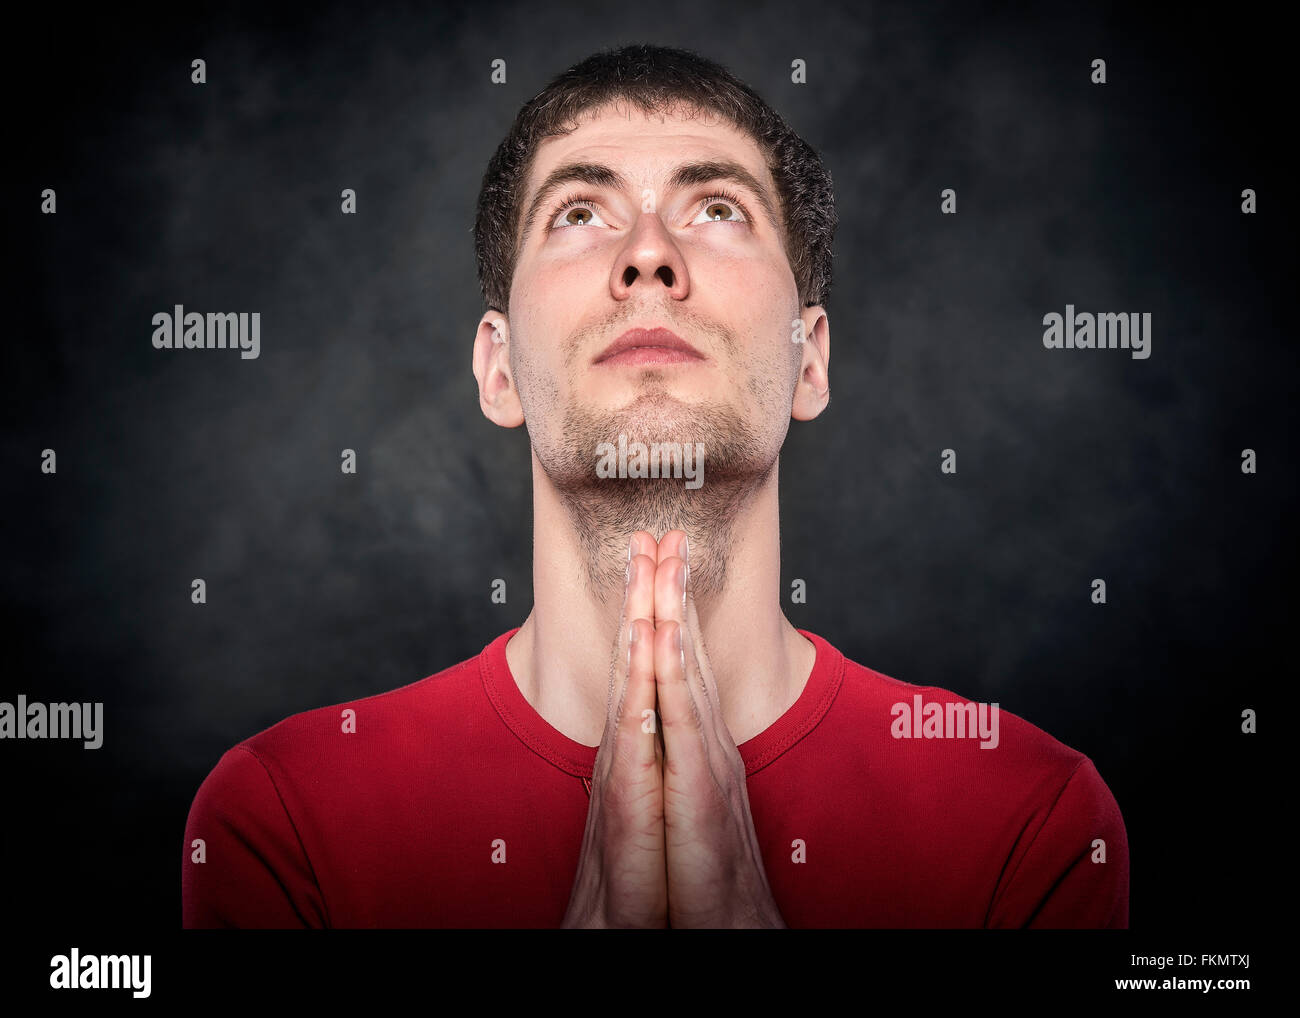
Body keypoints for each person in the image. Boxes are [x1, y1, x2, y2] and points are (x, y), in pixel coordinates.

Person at [183, 43, 1128, 929]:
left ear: (810, 362)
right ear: (498, 369)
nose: (647, 254)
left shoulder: (1029, 820)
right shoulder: (283, 821)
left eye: (717, 208)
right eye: (579, 213)